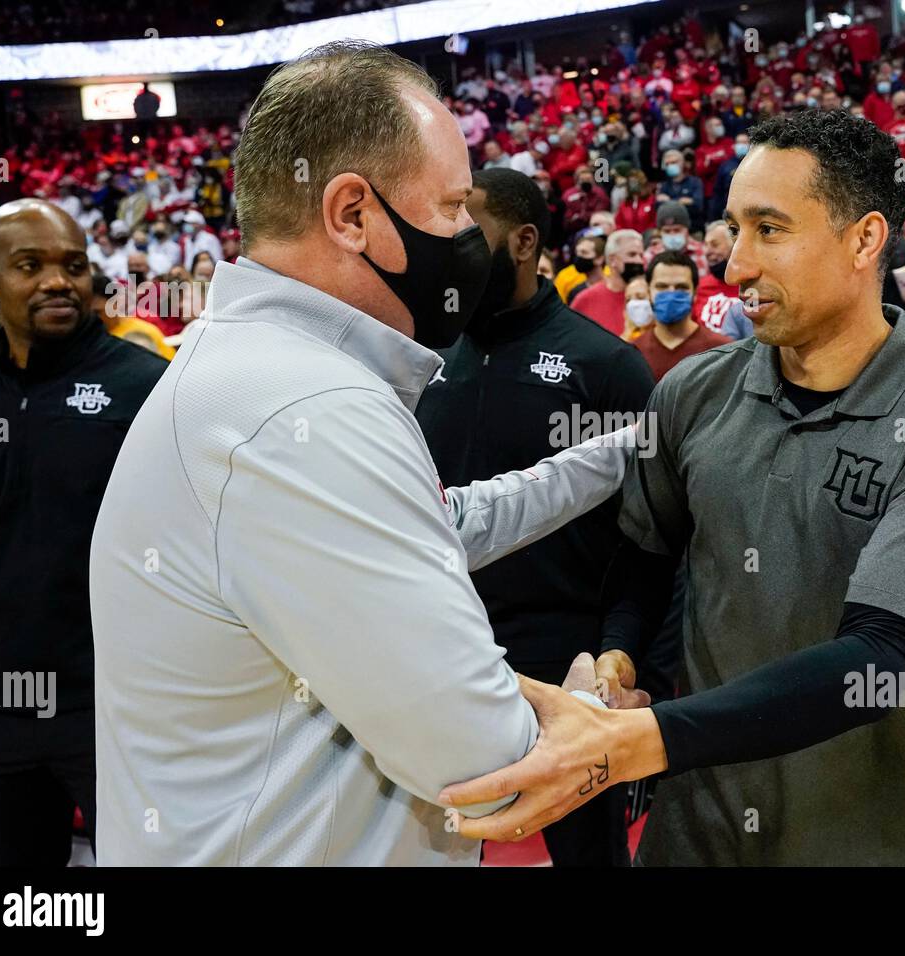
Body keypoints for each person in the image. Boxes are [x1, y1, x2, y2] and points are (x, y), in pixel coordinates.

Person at [87, 41, 632, 867]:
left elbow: (442, 522)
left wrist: (633, 450)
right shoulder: (312, 407)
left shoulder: (255, 367)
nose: (463, 237)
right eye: (451, 208)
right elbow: (488, 766)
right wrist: (589, 702)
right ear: (352, 215)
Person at [439, 109, 905, 866]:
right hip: (697, 831)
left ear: (865, 239)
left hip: (875, 834)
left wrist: (642, 741)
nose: (736, 266)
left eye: (769, 230)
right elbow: (646, 558)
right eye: (735, 230)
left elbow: (883, 656)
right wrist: (618, 662)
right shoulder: (693, 392)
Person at [414, 168, 654, 866]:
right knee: (436, 847)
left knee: (589, 859)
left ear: (522, 241)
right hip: (444, 652)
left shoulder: (606, 365)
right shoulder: (422, 362)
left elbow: (650, 542)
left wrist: (623, 652)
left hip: (568, 663)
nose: (450, 242)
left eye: (468, 225)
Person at [0, 199, 167, 865]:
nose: (57, 281)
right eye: (30, 265)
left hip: (119, 706)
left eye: (74, 266)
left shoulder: (149, 388)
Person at [631, 250, 731, 382]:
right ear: (649, 292)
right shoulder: (633, 353)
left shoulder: (722, 351)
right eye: (662, 286)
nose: (671, 294)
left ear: (695, 294)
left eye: (681, 287)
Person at [572, 228, 646, 336]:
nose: (639, 261)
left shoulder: (649, 297)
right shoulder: (585, 299)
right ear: (612, 260)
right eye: (632, 254)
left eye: (641, 255)